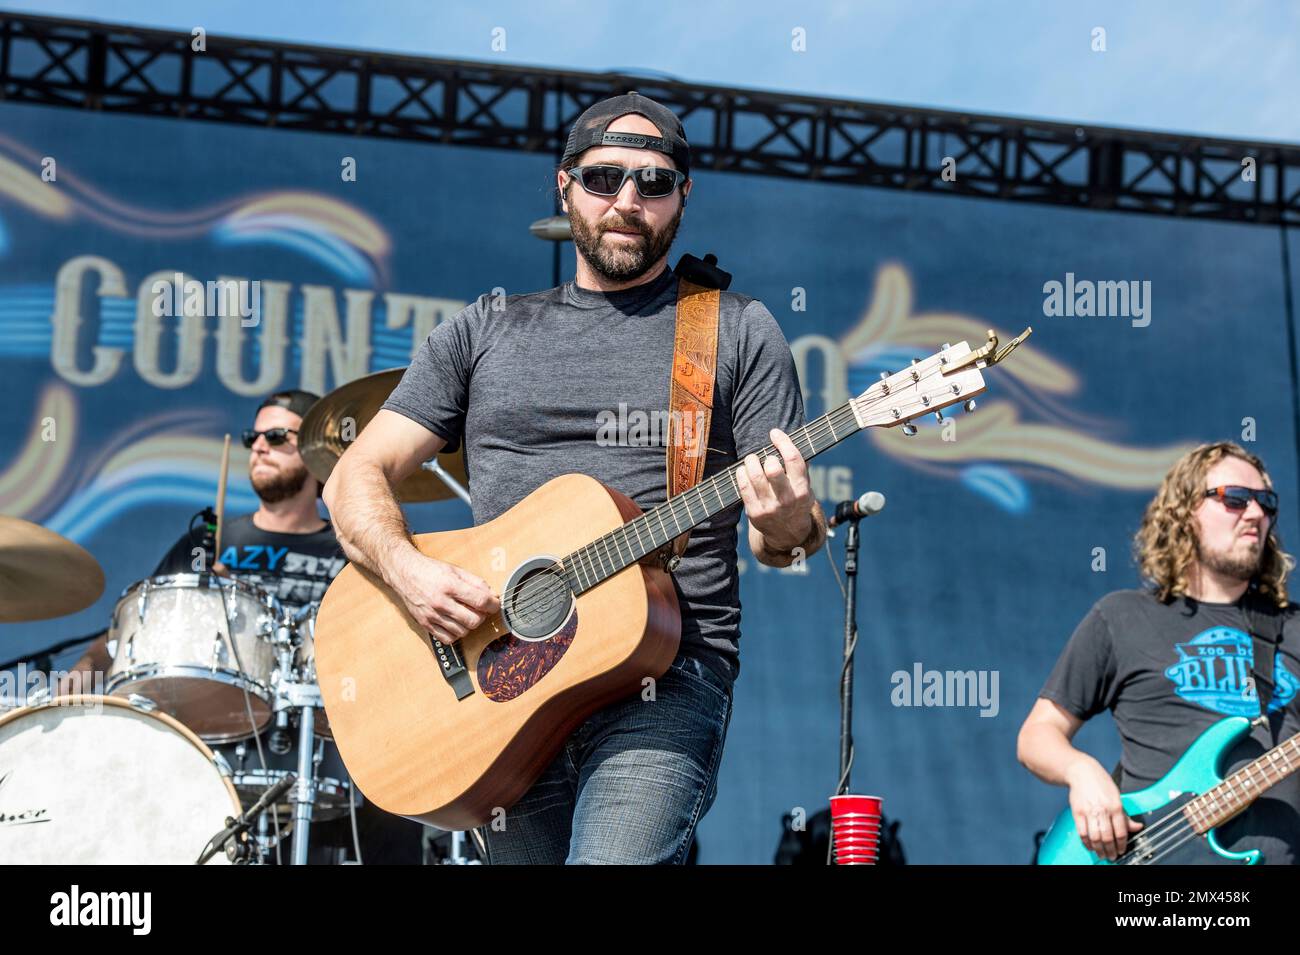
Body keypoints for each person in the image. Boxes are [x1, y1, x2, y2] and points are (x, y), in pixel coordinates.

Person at [323, 91, 827, 864]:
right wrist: (409, 570)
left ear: (683, 198)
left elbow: (781, 546)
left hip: (661, 670)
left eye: (654, 183)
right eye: (603, 178)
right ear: (565, 186)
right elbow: (356, 473)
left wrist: (787, 520)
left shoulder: (734, 329)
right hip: (498, 681)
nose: (628, 201)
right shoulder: (484, 329)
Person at [67, 390, 421, 863]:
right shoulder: (209, 544)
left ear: (317, 452)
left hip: (330, 745)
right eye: (254, 436)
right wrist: (85, 670)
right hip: (218, 743)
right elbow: (135, 632)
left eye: (277, 437)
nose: (258, 446)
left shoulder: (352, 549)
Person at [1017, 441, 1300, 864]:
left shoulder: (1293, 628)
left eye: (1266, 502)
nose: (1255, 514)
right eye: (1235, 499)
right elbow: (1037, 736)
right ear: (1183, 513)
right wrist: (1083, 773)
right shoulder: (1122, 617)